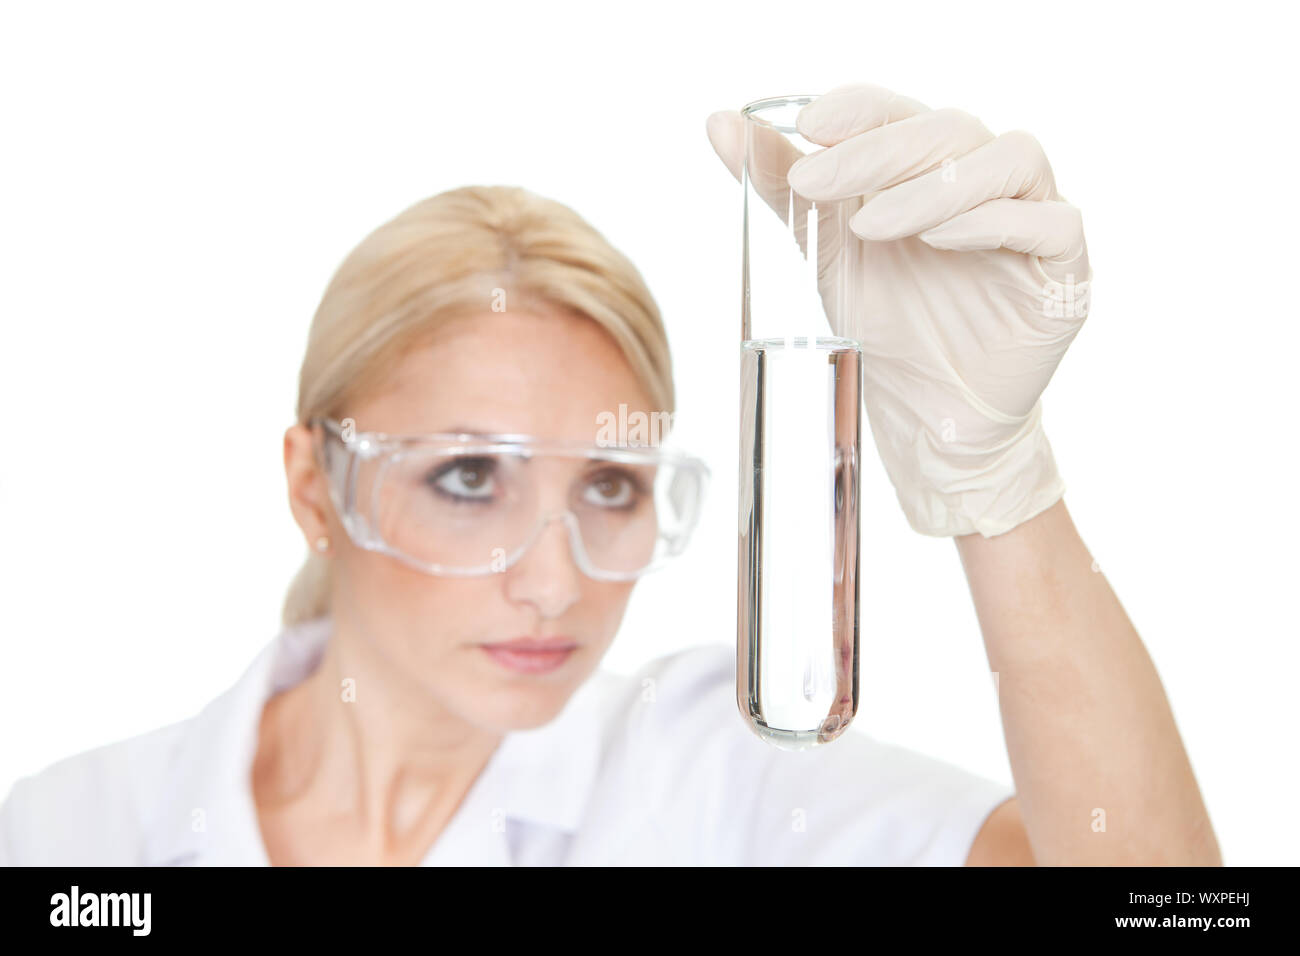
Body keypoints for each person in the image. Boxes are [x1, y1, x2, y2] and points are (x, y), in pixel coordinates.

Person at [0, 82, 1220, 866]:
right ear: (316, 486)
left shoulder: (711, 778)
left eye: (610, 486)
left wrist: (994, 482)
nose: (553, 582)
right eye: (471, 475)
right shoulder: (73, 841)